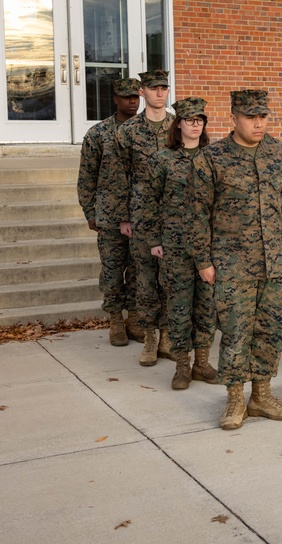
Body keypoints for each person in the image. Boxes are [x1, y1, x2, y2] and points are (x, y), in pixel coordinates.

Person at [189, 90, 282, 430]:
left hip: (275, 265)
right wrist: (203, 261)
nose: (258, 123)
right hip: (231, 265)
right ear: (234, 118)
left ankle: (262, 396)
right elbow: (197, 216)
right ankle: (236, 399)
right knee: (236, 333)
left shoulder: (280, 157)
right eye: (250, 117)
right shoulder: (212, 159)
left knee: (270, 331)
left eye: (263, 117)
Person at [141, 97, 219, 390]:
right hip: (174, 245)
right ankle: (182, 366)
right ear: (179, 124)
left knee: (206, 306)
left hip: (208, 246)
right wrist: (153, 240)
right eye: (189, 120)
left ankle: (202, 362)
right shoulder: (163, 159)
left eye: (200, 120)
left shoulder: (213, 158)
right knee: (179, 306)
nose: (195, 125)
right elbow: (149, 202)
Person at [106, 69, 175, 367]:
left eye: (164, 87)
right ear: (143, 92)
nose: (160, 93)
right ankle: (150, 339)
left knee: (172, 279)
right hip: (142, 216)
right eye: (153, 88)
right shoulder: (128, 132)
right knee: (145, 281)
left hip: (173, 218)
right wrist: (123, 217)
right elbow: (117, 178)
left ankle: (169, 336)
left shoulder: (179, 126)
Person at [76, 77, 141, 346]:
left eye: (135, 96)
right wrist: (90, 211)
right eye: (126, 97)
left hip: (142, 216)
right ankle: (115, 320)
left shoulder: (147, 131)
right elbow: (86, 176)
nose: (133, 101)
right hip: (109, 216)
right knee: (113, 271)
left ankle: (135, 318)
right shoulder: (98, 134)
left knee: (139, 270)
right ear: (115, 99)